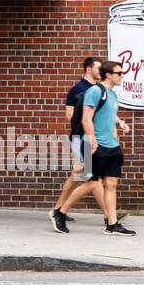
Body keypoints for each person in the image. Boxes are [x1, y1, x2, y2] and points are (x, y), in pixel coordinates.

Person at [57, 60, 135, 235]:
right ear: (109, 75)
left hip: (112, 146)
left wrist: (121, 123)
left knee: (111, 184)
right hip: (94, 145)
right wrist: (92, 141)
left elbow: (110, 114)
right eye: (119, 73)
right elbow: (86, 119)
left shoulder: (112, 95)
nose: (122, 76)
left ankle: (112, 224)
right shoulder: (94, 91)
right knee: (91, 183)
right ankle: (60, 212)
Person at [51, 56, 107, 233]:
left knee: (77, 175)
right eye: (99, 68)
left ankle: (57, 209)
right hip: (80, 139)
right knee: (92, 177)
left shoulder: (98, 89)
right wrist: (87, 133)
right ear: (89, 69)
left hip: (89, 139)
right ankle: (108, 215)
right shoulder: (78, 89)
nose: (102, 71)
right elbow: (69, 114)